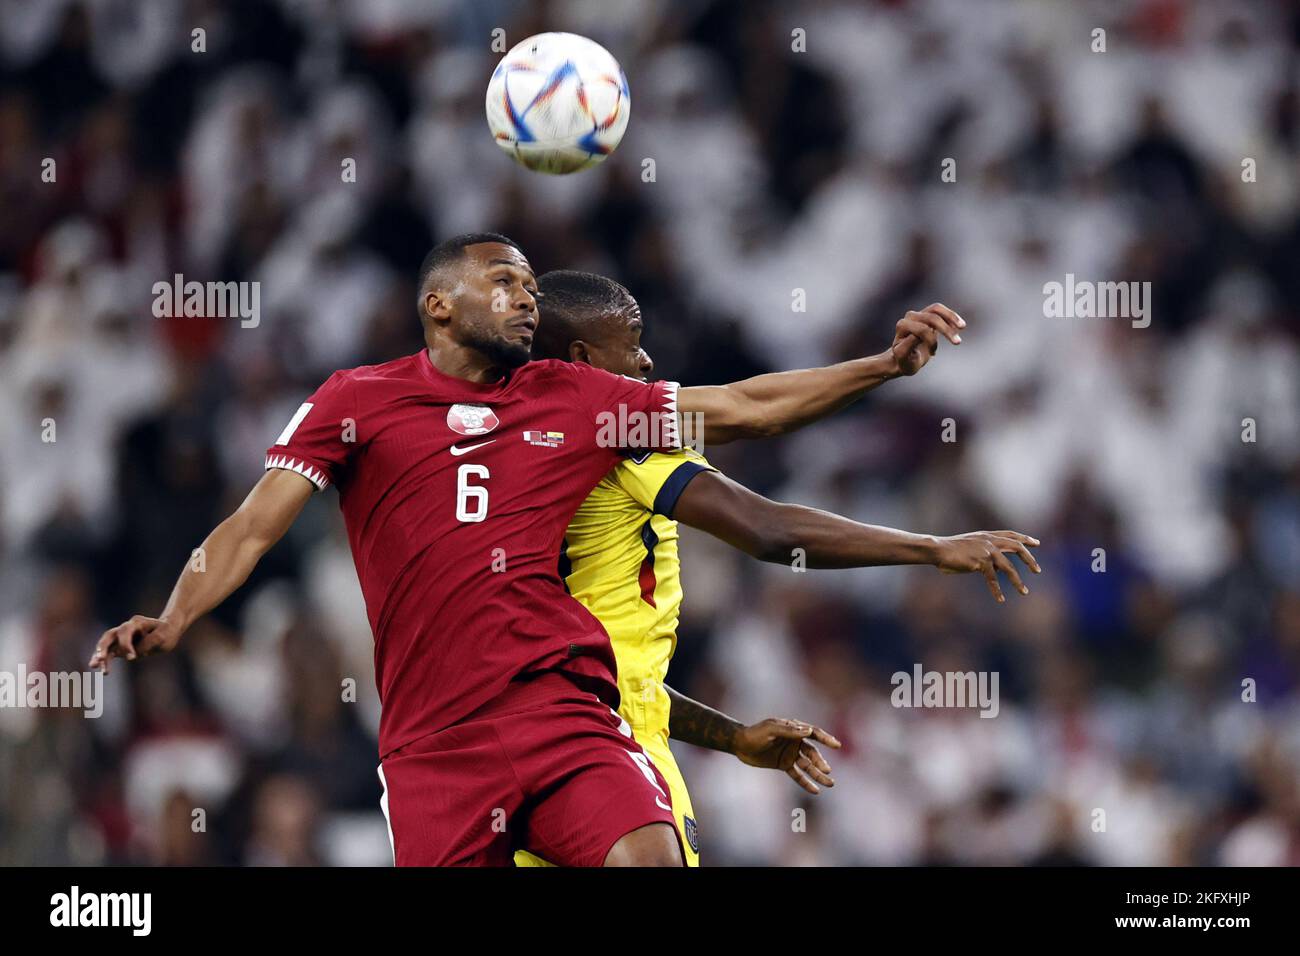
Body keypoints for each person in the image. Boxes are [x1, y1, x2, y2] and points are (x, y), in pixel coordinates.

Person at [88, 233, 980, 866]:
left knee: (649, 857)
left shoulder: (575, 396)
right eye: (503, 283)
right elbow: (251, 525)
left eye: (527, 287)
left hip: (561, 711)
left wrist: (879, 367)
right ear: (438, 304)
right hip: (433, 744)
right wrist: (174, 616)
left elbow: (742, 405)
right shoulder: (354, 399)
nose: (524, 299)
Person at [515, 270, 1040, 866]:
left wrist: (733, 736)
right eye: (632, 342)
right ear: (583, 358)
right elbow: (766, 522)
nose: (646, 358)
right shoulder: (620, 433)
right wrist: (932, 548)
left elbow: (604, 680)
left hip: (526, 757)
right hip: (606, 761)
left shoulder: (505, 443)